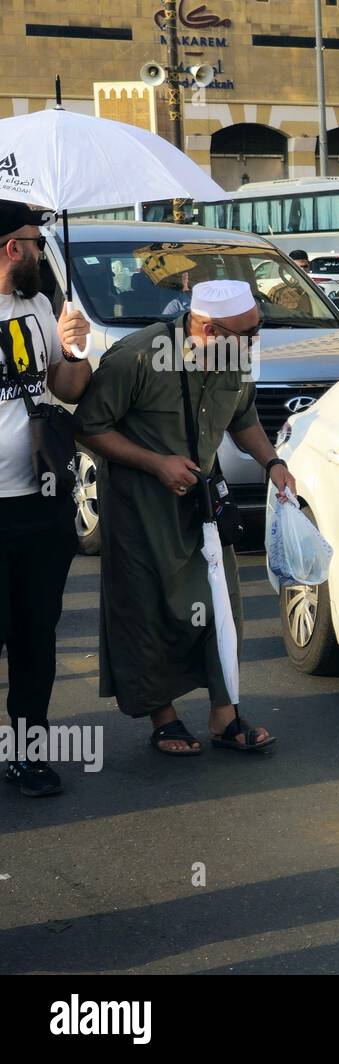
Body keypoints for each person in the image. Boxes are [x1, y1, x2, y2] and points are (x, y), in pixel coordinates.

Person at [74, 280, 292, 756]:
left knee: (220, 603)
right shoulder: (136, 356)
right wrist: (156, 463)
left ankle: (224, 715)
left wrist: (273, 463)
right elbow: (89, 427)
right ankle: (164, 717)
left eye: (258, 328)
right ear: (209, 330)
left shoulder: (234, 355)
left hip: (203, 504)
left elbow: (243, 418)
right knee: (146, 607)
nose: (255, 341)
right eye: (247, 333)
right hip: (139, 507)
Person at [0, 200, 92, 796]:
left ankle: (27, 752)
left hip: (42, 500)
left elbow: (67, 387)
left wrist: (76, 350)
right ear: (13, 248)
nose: (41, 252)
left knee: (37, 634)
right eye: (36, 243)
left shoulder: (38, 307)